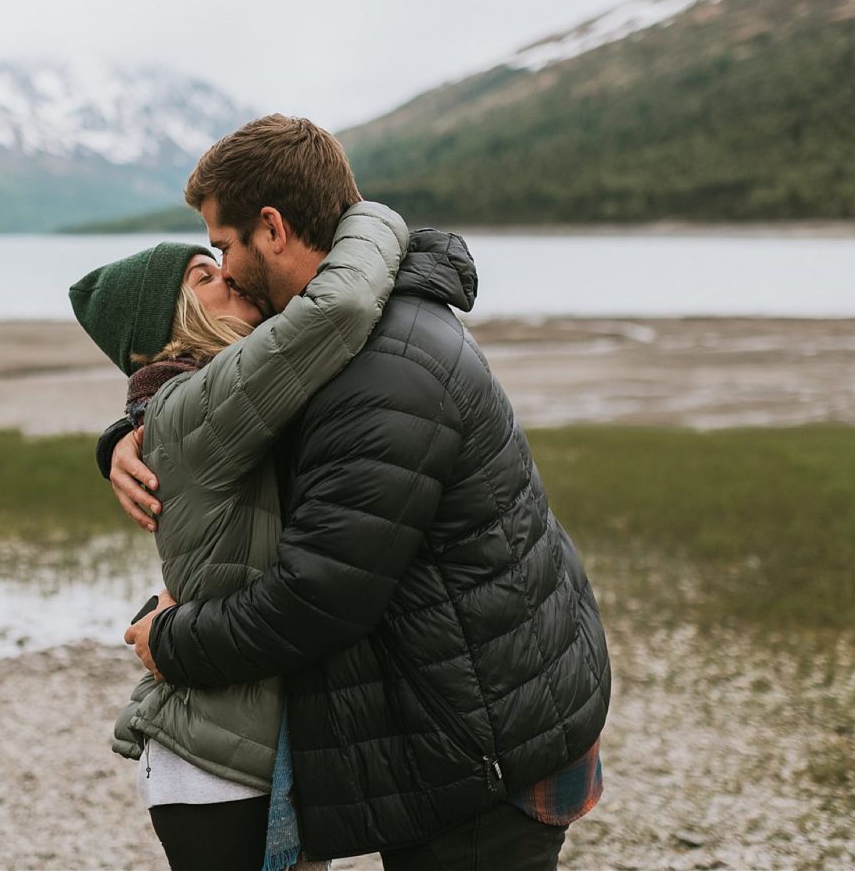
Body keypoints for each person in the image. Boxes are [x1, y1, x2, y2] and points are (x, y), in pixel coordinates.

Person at [105, 114, 612, 870]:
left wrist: (166, 641)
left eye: (224, 247)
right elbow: (216, 412)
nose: (228, 270)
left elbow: (317, 596)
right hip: (459, 719)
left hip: (485, 754)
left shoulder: (380, 373)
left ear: (271, 229)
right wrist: (124, 434)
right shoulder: (353, 340)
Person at [69, 202, 410, 871]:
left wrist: (114, 440)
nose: (231, 273)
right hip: (218, 764)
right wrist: (368, 215)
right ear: (170, 333)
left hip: (254, 741)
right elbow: (339, 307)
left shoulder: (208, 398)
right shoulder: (204, 404)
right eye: (205, 278)